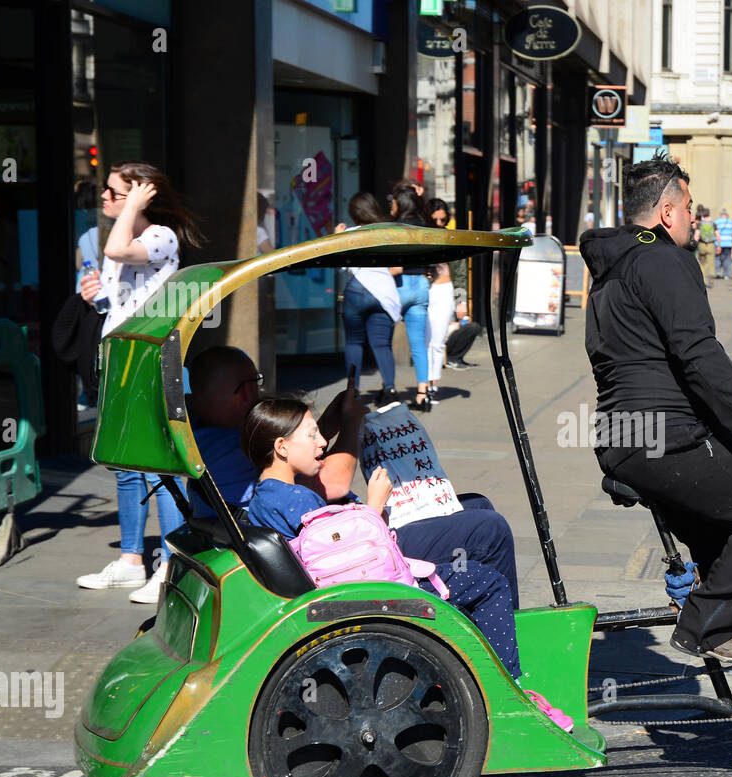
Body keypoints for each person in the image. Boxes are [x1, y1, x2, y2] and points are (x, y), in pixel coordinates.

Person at [578, 152, 732, 665]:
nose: (696, 219)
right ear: (666, 212)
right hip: (662, 436)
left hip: (623, 437)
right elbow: (699, 354)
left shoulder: (610, 271)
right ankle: (704, 625)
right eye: (690, 208)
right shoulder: (662, 259)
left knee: (727, 538)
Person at [185, 346, 520, 608]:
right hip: (353, 554)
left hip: (341, 538)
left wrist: (328, 425)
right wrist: (353, 426)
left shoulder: (218, 440)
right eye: (252, 383)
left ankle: (477, 617)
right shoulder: (226, 446)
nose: (256, 392)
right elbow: (334, 485)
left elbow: (292, 460)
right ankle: (505, 644)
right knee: (491, 530)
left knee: (477, 505)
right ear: (241, 392)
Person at [242, 397, 520, 680]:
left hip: (368, 559)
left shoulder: (272, 495)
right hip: (371, 575)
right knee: (490, 538)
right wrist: (374, 507)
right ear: (282, 447)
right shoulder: (293, 499)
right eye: (312, 434)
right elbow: (343, 557)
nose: (322, 441)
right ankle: (507, 668)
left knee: (478, 507)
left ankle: (496, 635)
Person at [75, 161, 204, 604]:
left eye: (115, 192)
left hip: (153, 362)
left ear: (142, 196)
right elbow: (123, 300)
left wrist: (130, 208)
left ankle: (171, 563)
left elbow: (115, 251)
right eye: (107, 193)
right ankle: (131, 560)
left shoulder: (159, 236)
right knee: (127, 464)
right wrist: (95, 298)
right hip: (122, 360)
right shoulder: (127, 236)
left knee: (160, 467)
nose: (105, 199)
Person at [338, 192, 402, 405]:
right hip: (383, 292)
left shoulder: (348, 233)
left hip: (357, 290)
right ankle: (390, 390)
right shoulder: (384, 232)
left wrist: (336, 236)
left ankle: (353, 392)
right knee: (382, 345)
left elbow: (341, 265)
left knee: (354, 342)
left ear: (354, 215)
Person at [390, 183, 433, 411]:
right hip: (422, 285)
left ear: (401, 203)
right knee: (418, 346)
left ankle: (388, 388)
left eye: (393, 201)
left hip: (401, 284)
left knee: (382, 339)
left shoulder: (397, 228)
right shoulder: (424, 224)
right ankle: (422, 394)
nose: (391, 205)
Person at [425, 197, 463, 403]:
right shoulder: (422, 236)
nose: (439, 224)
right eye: (435, 220)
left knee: (438, 342)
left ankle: (433, 386)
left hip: (445, 291)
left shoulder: (450, 237)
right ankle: (425, 384)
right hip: (425, 291)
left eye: (443, 220)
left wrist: (462, 300)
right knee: (425, 342)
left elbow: (460, 272)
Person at [694, 206, 715, 286]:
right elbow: (717, 234)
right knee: (711, 263)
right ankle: (711, 279)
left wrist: (695, 243)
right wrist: (719, 244)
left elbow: (697, 235)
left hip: (702, 245)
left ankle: (704, 280)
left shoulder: (700, 224)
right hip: (711, 244)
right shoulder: (713, 223)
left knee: (702, 263)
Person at [714, 208, 732, 281]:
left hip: (718, 243)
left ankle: (717, 272)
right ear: (727, 215)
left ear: (720, 215)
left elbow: (714, 232)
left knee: (717, 258)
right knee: (727, 259)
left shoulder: (716, 222)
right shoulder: (731, 222)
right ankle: (726, 275)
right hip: (728, 243)